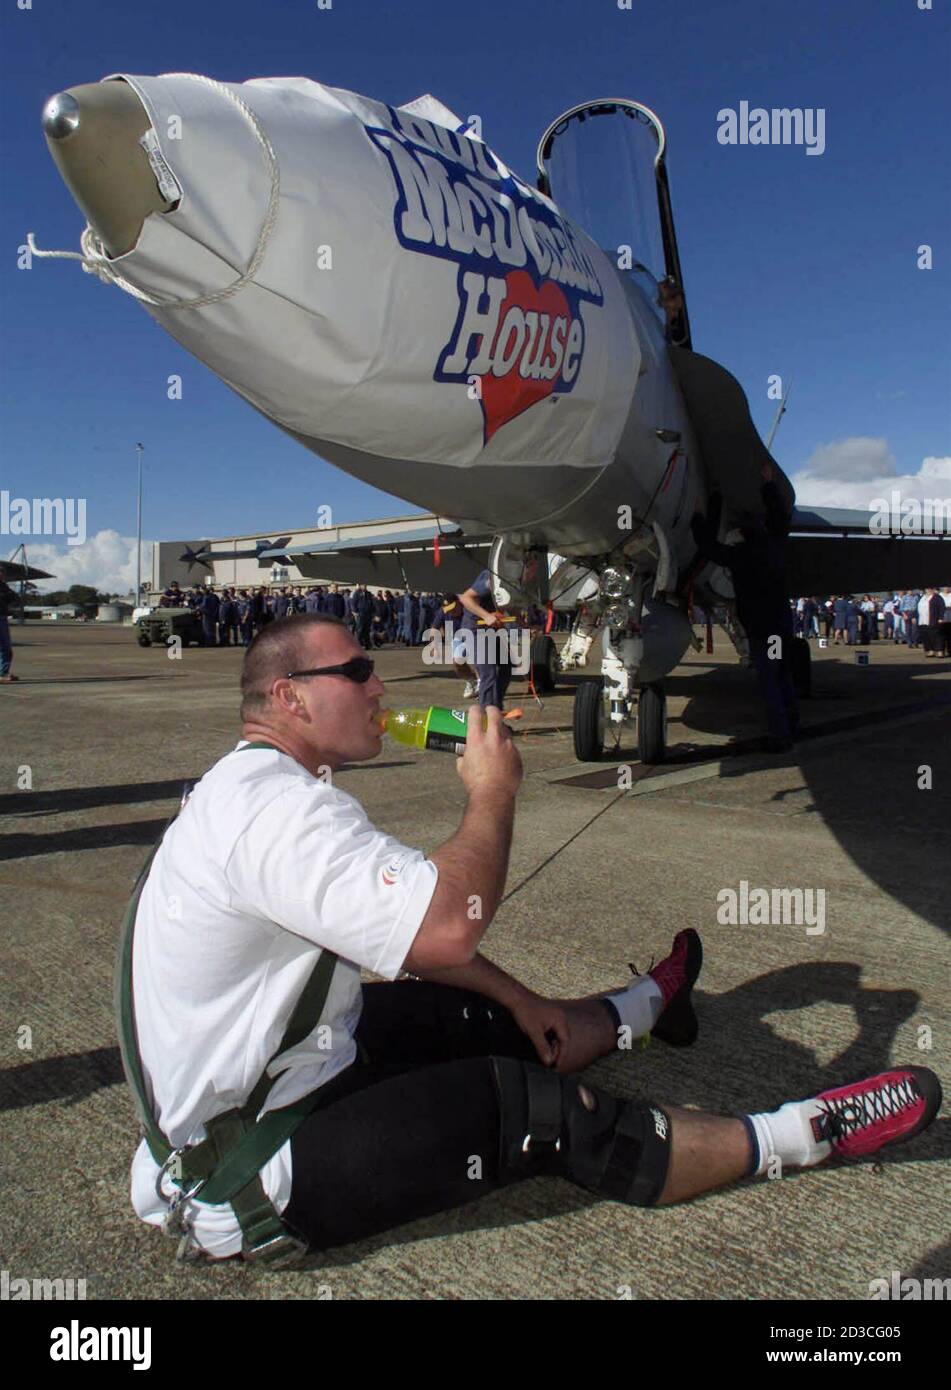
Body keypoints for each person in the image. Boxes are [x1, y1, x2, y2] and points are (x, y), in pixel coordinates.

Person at [122, 613, 942, 1263]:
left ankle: (649, 1006)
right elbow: (448, 924)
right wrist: (493, 790)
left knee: (486, 1014)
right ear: (291, 697)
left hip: (274, 1075)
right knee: (542, 1111)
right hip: (251, 1164)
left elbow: (411, 940)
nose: (380, 687)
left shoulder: (252, 786)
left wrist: (520, 997)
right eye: (357, 671)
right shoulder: (278, 812)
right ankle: (802, 1134)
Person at [691, 467, 799, 751]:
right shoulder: (775, 547)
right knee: (783, 676)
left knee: (769, 682)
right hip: (782, 625)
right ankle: (792, 724)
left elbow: (708, 547)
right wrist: (769, 486)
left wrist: (698, 515)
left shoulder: (741, 557)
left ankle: (780, 735)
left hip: (762, 630)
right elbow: (780, 518)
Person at [0, 565, 20, 682]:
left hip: (2, 617)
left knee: (5, 648)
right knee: (4, 647)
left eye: (2, 572)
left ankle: (3, 672)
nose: (1, 574)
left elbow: (14, 598)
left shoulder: (4, 587)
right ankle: (3, 673)